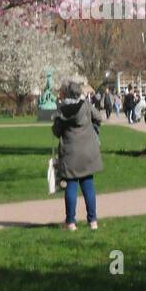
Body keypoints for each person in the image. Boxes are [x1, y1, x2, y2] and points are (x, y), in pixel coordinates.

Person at [52, 79, 103, 231]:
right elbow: (99, 118)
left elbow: (56, 131)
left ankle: (71, 222)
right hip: (88, 152)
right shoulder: (86, 106)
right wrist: (92, 128)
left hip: (70, 153)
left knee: (71, 187)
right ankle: (92, 221)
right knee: (88, 186)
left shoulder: (61, 111)